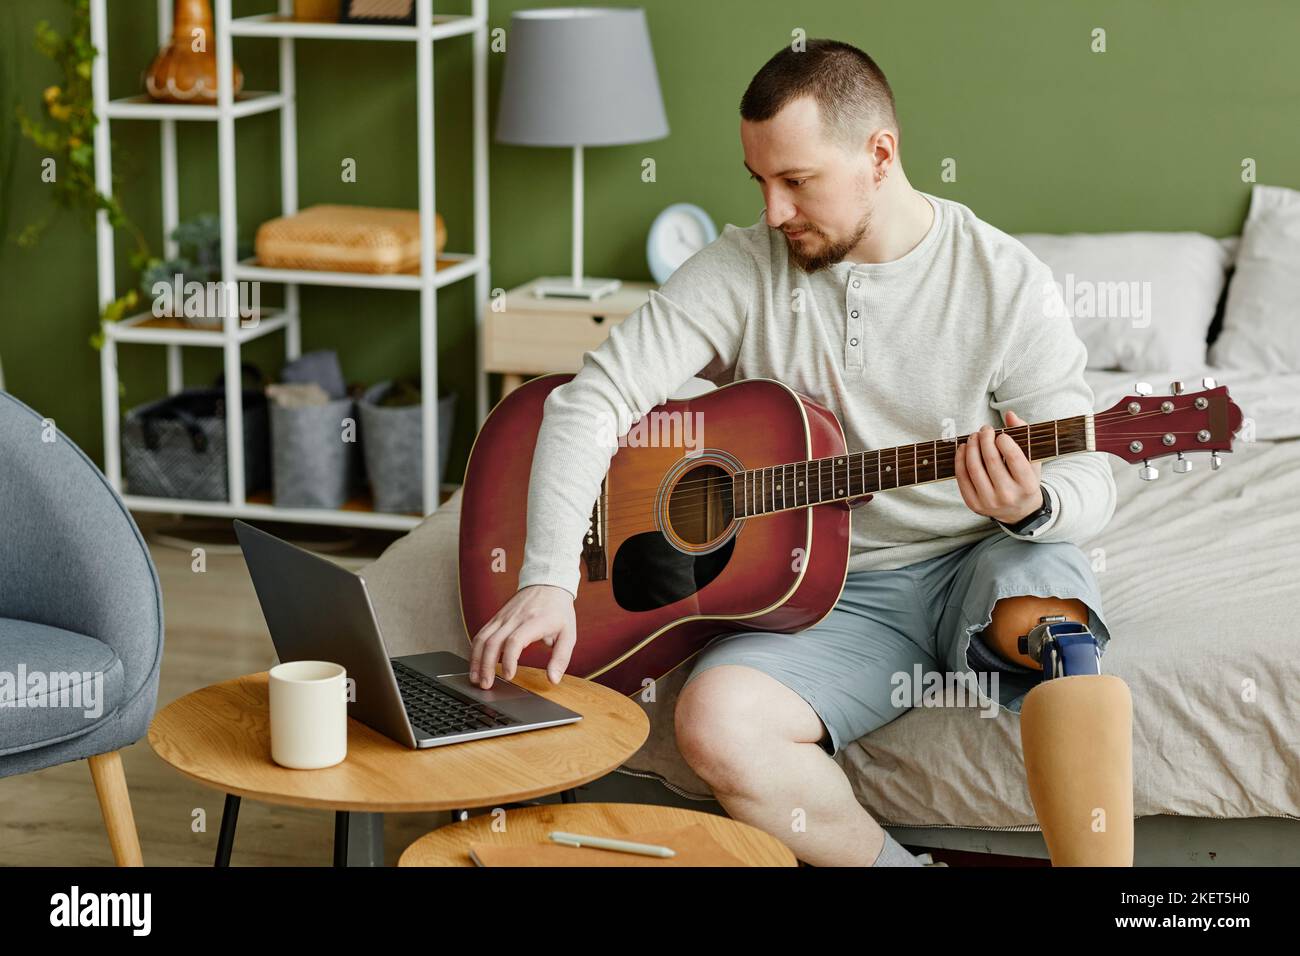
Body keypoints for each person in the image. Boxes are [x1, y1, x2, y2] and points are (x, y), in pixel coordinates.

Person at [467, 39, 1117, 867]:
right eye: (759, 182)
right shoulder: (742, 268)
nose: (774, 211)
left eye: (798, 181)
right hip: (828, 598)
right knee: (714, 721)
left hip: (980, 558)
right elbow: (590, 398)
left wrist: (1032, 504)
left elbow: (1090, 475)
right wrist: (550, 574)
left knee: (1059, 637)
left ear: (880, 155)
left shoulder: (1005, 282)